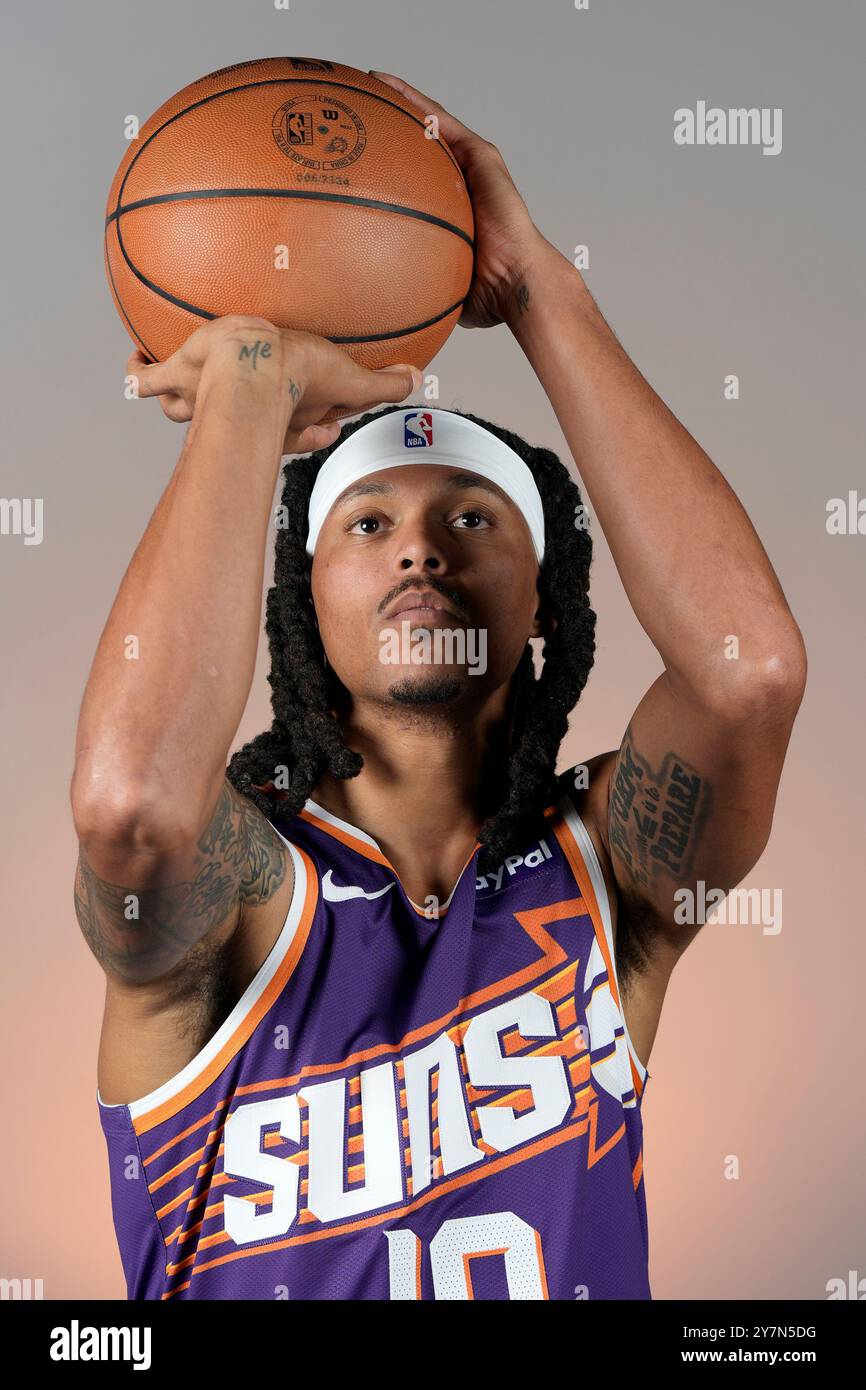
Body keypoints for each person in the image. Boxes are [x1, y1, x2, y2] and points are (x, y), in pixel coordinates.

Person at [72, 73, 806, 1301]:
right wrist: (250, 379)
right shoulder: (248, 889)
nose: (421, 549)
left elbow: (749, 674)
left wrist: (528, 287)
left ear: (545, 600)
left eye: (472, 517)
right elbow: (127, 803)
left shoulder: (607, 873)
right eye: (365, 524)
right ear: (299, 608)